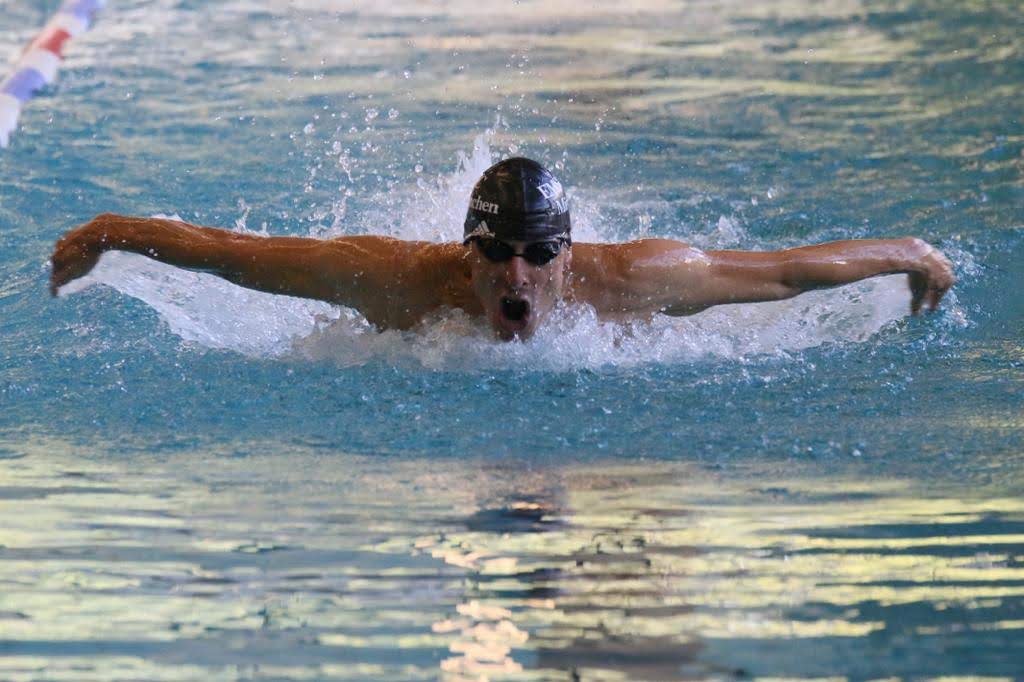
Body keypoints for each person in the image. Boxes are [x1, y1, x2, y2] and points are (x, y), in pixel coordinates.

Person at [50, 157, 955, 341]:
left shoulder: (632, 280)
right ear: (467, 251)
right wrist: (108, 231)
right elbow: (235, 252)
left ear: (566, 253)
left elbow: (785, 272)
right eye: (495, 256)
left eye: (535, 255)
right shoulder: (398, 283)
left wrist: (907, 253)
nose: (515, 276)